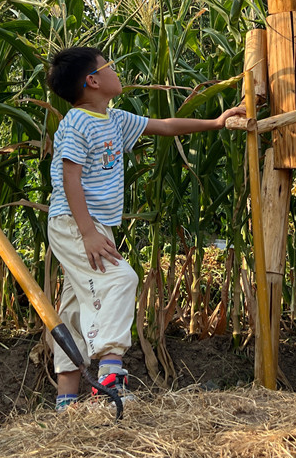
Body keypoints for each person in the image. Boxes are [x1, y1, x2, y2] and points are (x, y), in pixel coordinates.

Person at [45, 47, 245, 410]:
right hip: (75, 223)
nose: (116, 70)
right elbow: (69, 176)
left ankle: (66, 399)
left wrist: (216, 122)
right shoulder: (76, 122)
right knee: (120, 279)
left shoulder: (113, 118)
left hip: (93, 224)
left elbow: (166, 126)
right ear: (92, 80)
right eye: (109, 66)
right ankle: (109, 375)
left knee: (75, 305)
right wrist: (88, 232)